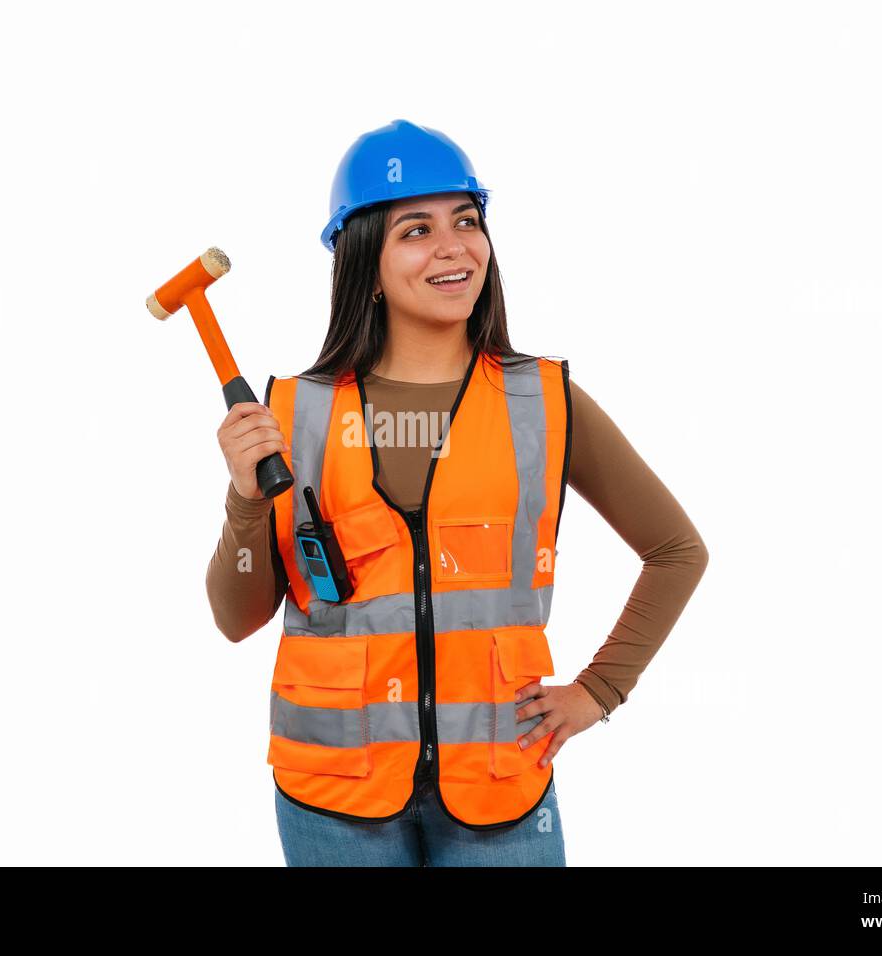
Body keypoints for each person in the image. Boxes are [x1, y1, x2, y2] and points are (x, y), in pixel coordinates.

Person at [206, 119, 708, 866]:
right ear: (362, 261)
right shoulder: (291, 414)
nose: (453, 247)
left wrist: (599, 692)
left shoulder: (544, 401)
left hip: (499, 786)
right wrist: (246, 503)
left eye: (466, 222)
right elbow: (236, 617)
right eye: (415, 229)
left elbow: (676, 551)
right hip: (333, 792)